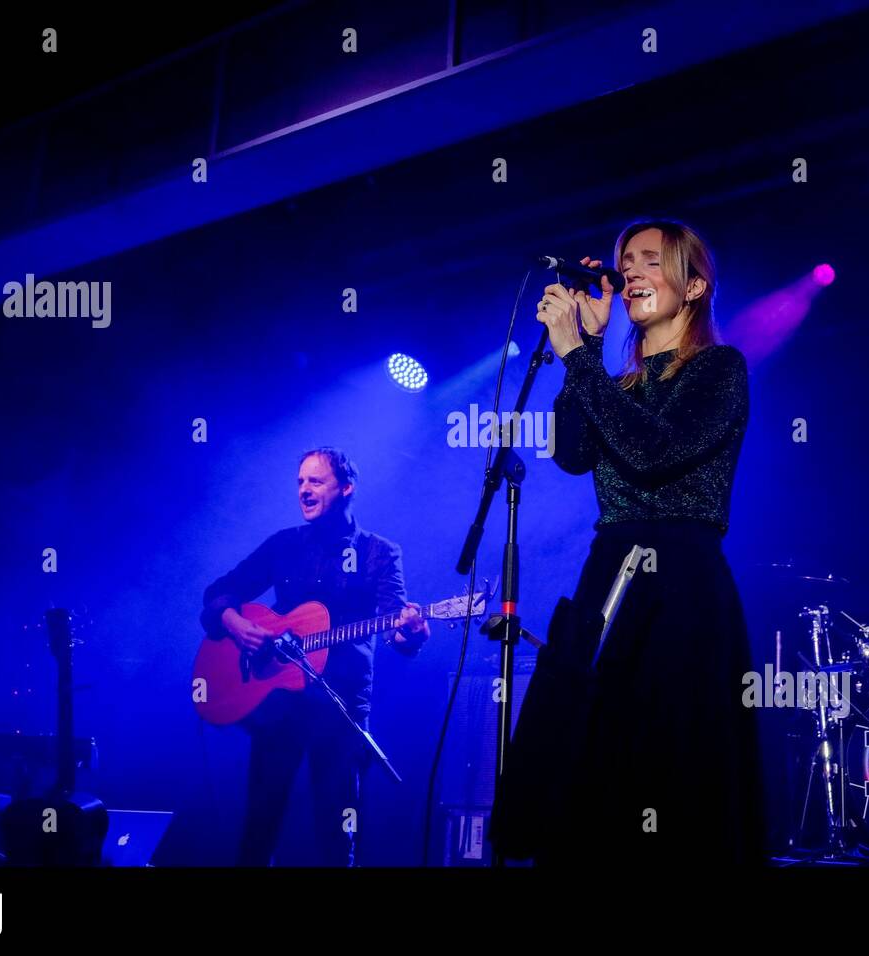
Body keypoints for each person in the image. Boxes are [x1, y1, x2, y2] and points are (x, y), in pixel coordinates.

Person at [491, 218, 763, 866]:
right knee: (586, 756)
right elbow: (571, 454)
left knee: (669, 760)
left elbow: (653, 453)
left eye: (650, 260)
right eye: (627, 260)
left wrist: (579, 358)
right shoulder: (618, 386)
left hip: (681, 583)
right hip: (608, 573)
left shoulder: (720, 369)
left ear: (694, 285)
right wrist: (585, 346)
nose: (632, 270)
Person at [200, 447, 429, 866]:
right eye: (300, 482)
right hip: (278, 703)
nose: (304, 490)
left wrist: (410, 633)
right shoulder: (283, 545)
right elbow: (218, 593)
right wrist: (236, 624)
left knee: (338, 833)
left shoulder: (379, 553)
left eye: (316, 481)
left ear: (346, 488)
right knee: (259, 828)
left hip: (341, 709)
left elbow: (396, 626)